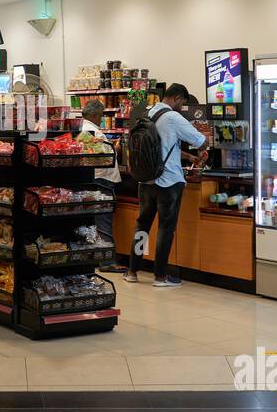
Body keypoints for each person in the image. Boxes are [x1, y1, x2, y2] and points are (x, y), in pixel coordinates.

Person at [125, 83, 207, 289]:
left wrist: (188, 157)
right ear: (178, 98)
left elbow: (161, 147)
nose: (182, 107)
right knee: (165, 228)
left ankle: (132, 271)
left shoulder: (147, 113)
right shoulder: (173, 117)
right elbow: (201, 141)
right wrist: (202, 151)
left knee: (142, 226)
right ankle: (160, 277)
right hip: (168, 182)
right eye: (183, 103)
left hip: (145, 180)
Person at [78, 100, 122, 272]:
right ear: (95, 115)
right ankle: (108, 262)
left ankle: (94, 258)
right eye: (102, 115)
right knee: (103, 219)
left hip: (90, 178)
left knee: (93, 220)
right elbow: (106, 156)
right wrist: (116, 148)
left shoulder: (80, 128)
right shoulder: (93, 131)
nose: (102, 119)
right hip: (102, 180)